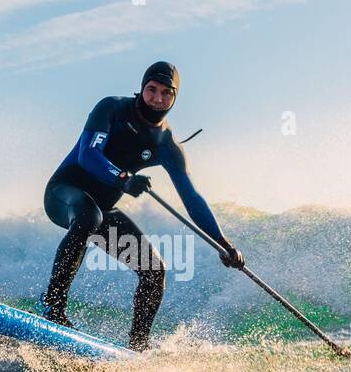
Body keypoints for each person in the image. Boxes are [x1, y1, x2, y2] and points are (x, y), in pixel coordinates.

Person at [41, 61, 244, 351]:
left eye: (166, 93)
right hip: (63, 195)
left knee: (154, 270)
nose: (157, 99)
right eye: (152, 90)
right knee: (88, 216)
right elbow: (89, 155)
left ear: (175, 98)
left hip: (102, 212)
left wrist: (223, 243)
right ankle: (53, 309)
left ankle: (137, 348)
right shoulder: (112, 108)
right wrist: (123, 179)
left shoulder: (167, 144)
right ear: (141, 88)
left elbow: (192, 199)